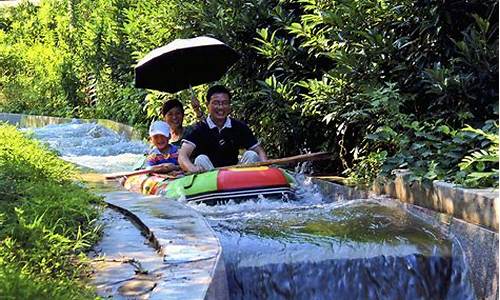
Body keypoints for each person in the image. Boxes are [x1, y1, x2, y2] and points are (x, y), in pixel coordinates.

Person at [178, 85, 267, 172]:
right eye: (216, 103)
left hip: (236, 176)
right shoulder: (199, 128)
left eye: (225, 103)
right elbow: (183, 155)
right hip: (210, 178)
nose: (220, 107)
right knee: (201, 159)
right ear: (207, 105)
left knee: (251, 155)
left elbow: (258, 150)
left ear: (229, 105)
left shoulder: (238, 126)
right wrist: (191, 168)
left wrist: (265, 165)